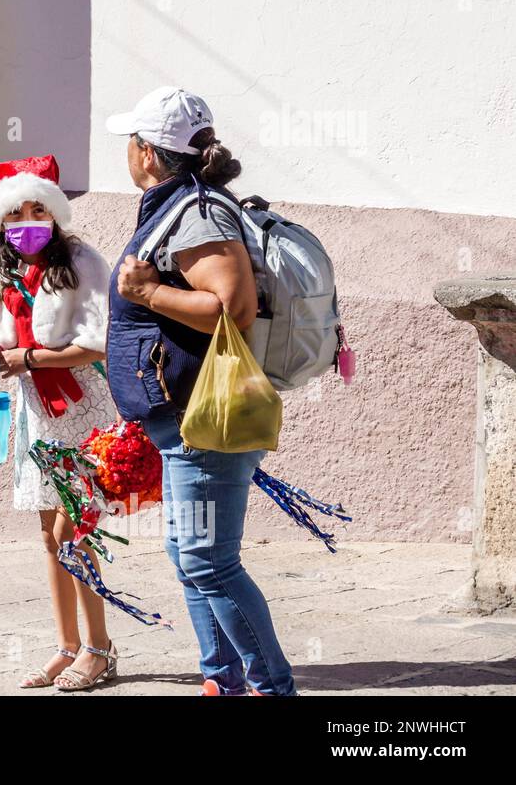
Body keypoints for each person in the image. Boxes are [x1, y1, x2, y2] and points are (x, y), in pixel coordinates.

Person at [103, 86, 296, 696]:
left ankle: (270, 686)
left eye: (131, 143)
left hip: (203, 421)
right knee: (191, 557)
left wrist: (147, 293)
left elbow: (232, 309)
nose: (127, 154)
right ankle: (222, 679)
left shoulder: (198, 213)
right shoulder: (179, 206)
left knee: (210, 561)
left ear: (149, 153)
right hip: (181, 421)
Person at [0, 155, 119, 691]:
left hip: (78, 410)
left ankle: (100, 648)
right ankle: (67, 646)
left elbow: (96, 344)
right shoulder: (9, 271)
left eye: (36, 210)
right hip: (34, 412)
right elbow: (1, 342)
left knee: (75, 531)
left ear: (54, 211)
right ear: (1, 222)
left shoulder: (83, 261)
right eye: (15, 214)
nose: (27, 223)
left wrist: (31, 359)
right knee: (49, 534)